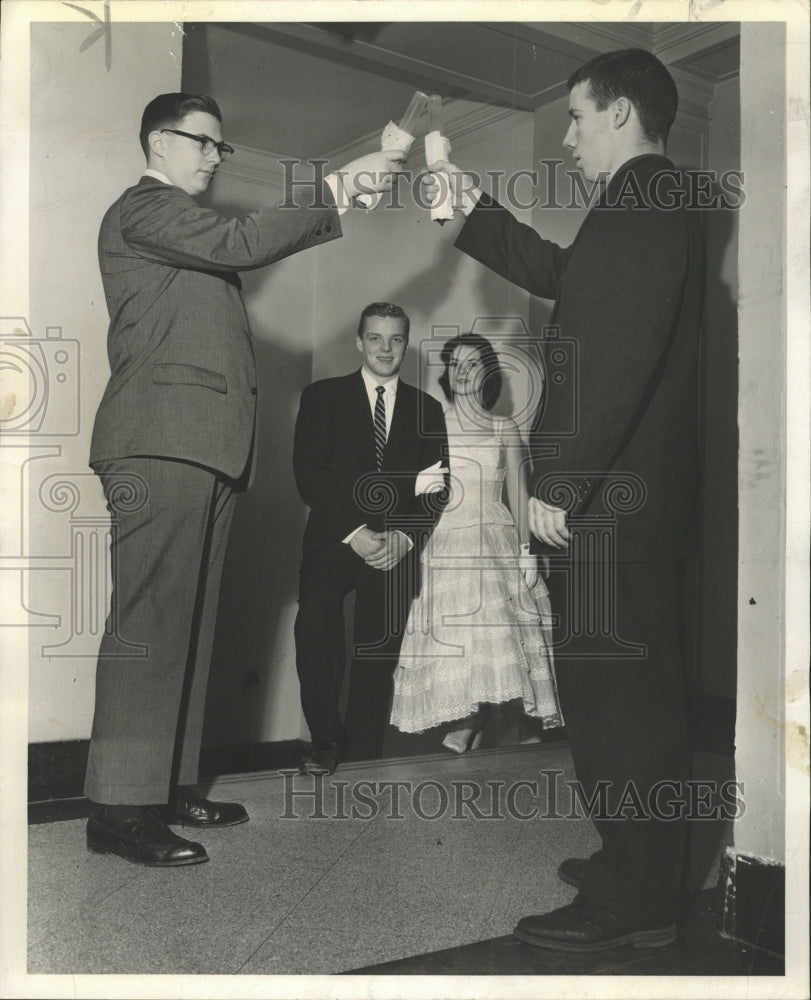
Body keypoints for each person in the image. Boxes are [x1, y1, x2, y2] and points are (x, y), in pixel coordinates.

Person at [423, 49, 704, 950]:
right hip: (634, 499)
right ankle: (642, 862)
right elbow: (565, 277)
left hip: (606, 501)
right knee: (631, 691)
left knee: (617, 696)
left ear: (619, 112)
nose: (570, 136)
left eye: (579, 118)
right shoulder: (646, 203)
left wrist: (561, 481)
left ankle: (636, 898)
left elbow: (616, 347)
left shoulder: (644, 199)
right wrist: (466, 205)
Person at [85, 93, 405, 868]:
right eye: (202, 143)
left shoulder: (176, 229)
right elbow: (241, 240)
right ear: (159, 141)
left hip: (205, 446)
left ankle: (167, 785)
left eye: (219, 148)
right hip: (159, 442)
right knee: (150, 623)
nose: (212, 158)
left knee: (188, 625)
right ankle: (119, 809)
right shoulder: (142, 209)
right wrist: (332, 189)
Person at [292, 303, 448, 774]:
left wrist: (405, 536)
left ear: (406, 343)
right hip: (334, 540)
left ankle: (362, 753)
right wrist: (354, 533)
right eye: (375, 338)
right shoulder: (322, 397)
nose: (385, 348)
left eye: (395, 339)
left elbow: (438, 484)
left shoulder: (427, 408)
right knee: (316, 624)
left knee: (378, 650)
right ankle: (324, 741)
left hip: (395, 547)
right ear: (359, 342)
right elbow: (309, 474)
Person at [390, 332, 562, 750]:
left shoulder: (505, 427)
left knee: (500, 631)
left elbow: (520, 496)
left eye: (472, 363)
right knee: (459, 632)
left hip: (496, 536)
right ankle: (467, 720)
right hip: (444, 536)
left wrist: (526, 554)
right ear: (446, 372)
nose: (463, 371)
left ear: (486, 373)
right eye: (455, 364)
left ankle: (522, 722)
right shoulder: (428, 425)